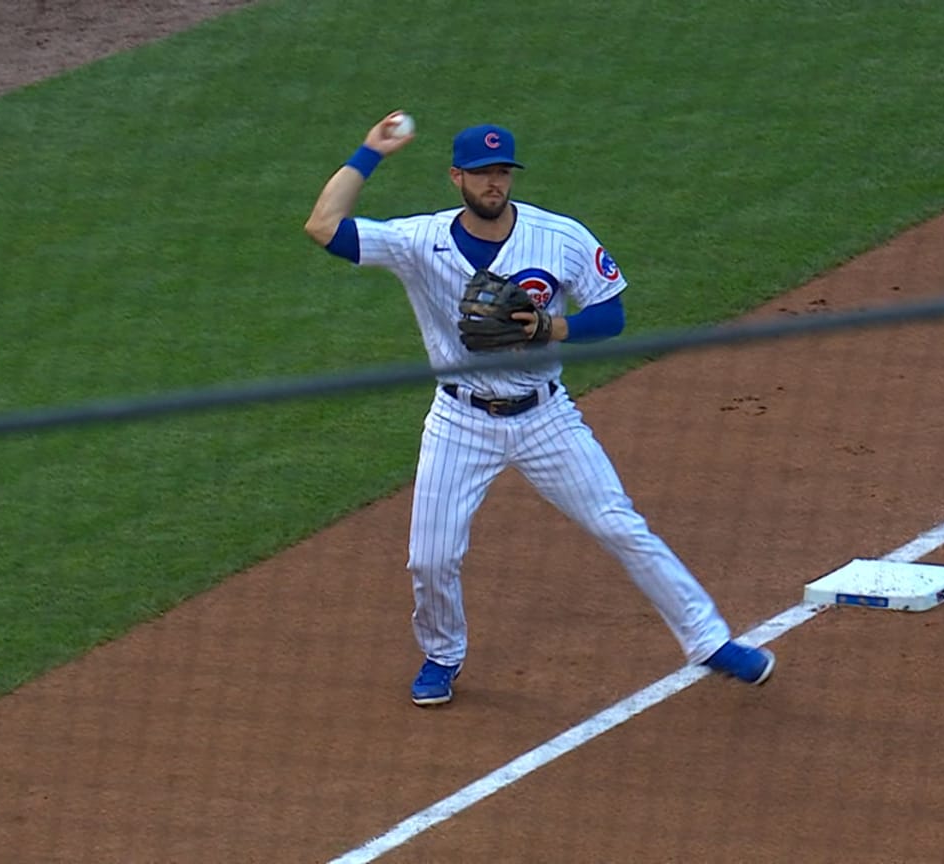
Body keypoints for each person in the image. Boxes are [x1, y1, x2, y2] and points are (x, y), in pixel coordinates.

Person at [304, 110, 776, 706]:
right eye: (481, 173)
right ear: (456, 178)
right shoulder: (419, 242)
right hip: (460, 421)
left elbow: (612, 314)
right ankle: (442, 654)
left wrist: (554, 327)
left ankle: (710, 641)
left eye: (502, 172)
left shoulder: (560, 237)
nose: (493, 183)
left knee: (619, 524)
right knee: (430, 558)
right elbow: (324, 226)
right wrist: (371, 151)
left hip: (545, 417)